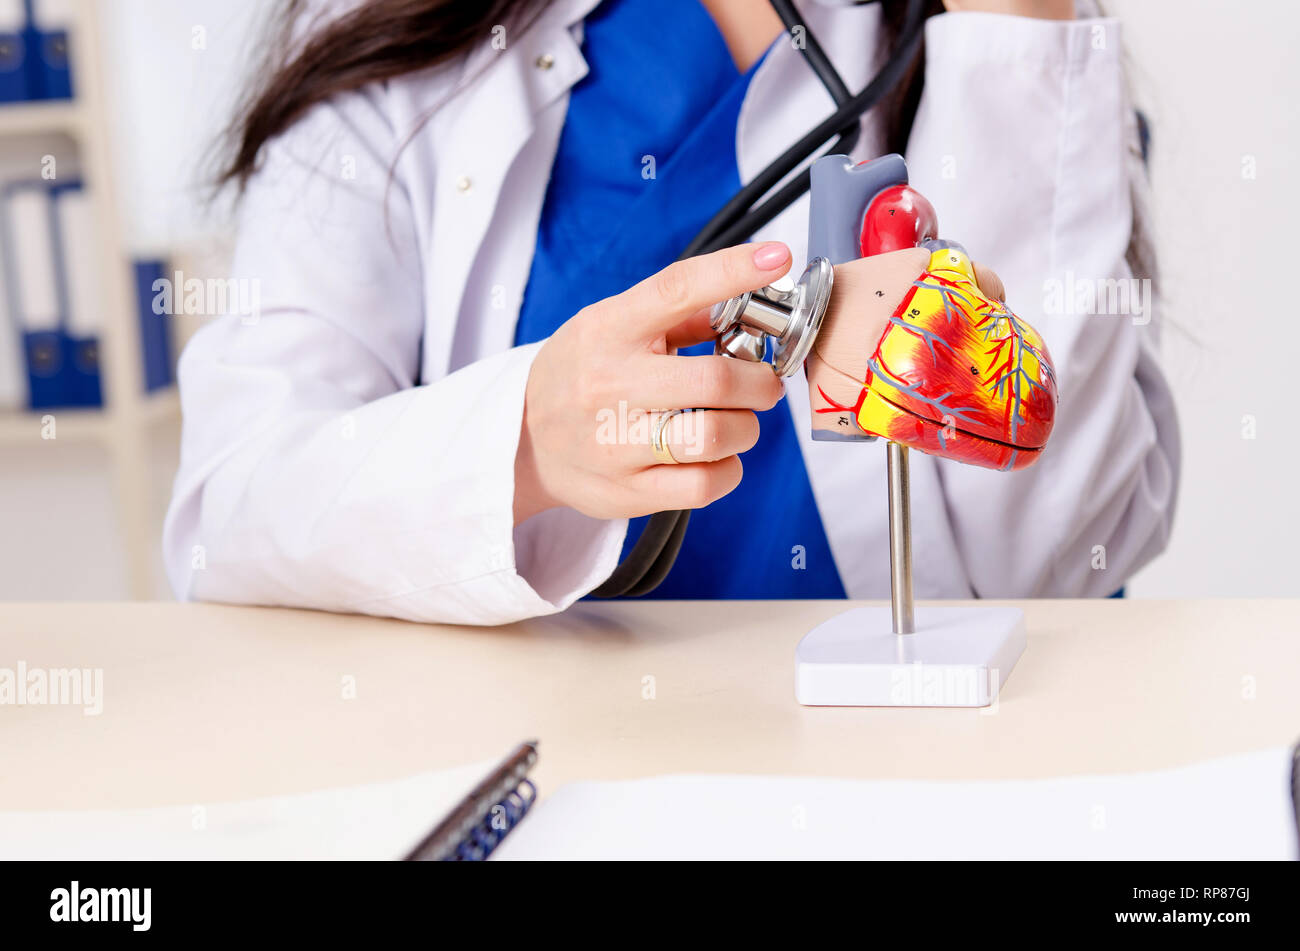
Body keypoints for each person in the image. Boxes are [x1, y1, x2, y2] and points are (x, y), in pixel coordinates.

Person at [163, 0, 1179, 624]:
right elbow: (231, 515)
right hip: (563, 782)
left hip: (921, 786)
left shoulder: (995, 43)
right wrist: (523, 443)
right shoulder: (389, 35)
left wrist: (1014, 29)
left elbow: (1054, 566)